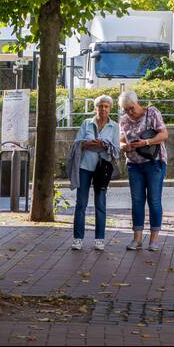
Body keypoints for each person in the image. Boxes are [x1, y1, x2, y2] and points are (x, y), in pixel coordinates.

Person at [118, 90, 169, 252]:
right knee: (137, 201)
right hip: (133, 164)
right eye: (126, 110)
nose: (130, 112)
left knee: (153, 200)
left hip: (154, 162)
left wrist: (146, 142)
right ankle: (137, 239)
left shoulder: (152, 113)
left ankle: (154, 240)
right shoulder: (124, 120)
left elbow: (164, 134)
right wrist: (125, 146)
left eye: (131, 108)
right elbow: (120, 142)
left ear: (137, 102)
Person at [69, 94, 121, 250]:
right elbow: (76, 144)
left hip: (102, 169)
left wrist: (105, 145)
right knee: (81, 204)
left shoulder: (115, 126)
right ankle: (78, 238)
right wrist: (87, 143)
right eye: (100, 106)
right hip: (85, 167)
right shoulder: (86, 123)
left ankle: (100, 239)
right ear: (95, 108)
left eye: (106, 106)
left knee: (100, 204)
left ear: (110, 108)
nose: (103, 109)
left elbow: (117, 151)